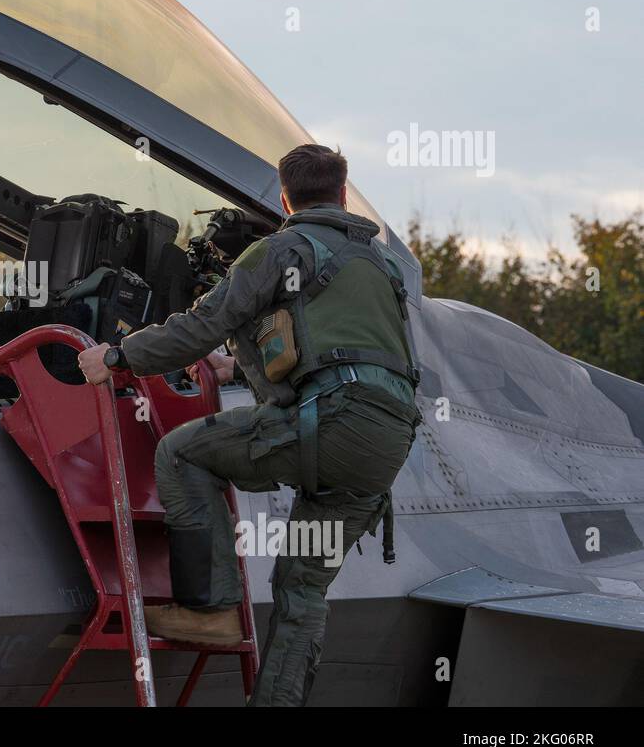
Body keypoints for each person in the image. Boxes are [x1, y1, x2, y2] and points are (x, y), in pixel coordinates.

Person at [78, 144, 420, 706]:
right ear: (341, 194)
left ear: (285, 198)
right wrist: (235, 364)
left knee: (183, 454)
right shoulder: (380, 265)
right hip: (386, 442)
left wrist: (117, 357)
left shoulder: (281, 249)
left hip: (331, 423)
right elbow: (349, 350)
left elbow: (199, 325)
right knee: (302, 587)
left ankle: (211, 609)